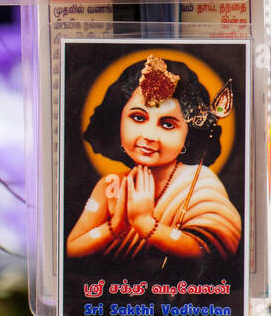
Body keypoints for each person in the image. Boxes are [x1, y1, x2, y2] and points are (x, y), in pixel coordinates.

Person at [66, 55, 241, 259]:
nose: (149, 135)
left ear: (188, 135)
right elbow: (73, 248)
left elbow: (207, 251)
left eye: (167, 124)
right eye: (138, 118)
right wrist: (114, 227)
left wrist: (146, 224)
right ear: (118, 119)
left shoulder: (200, 185)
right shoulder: (111, 187)